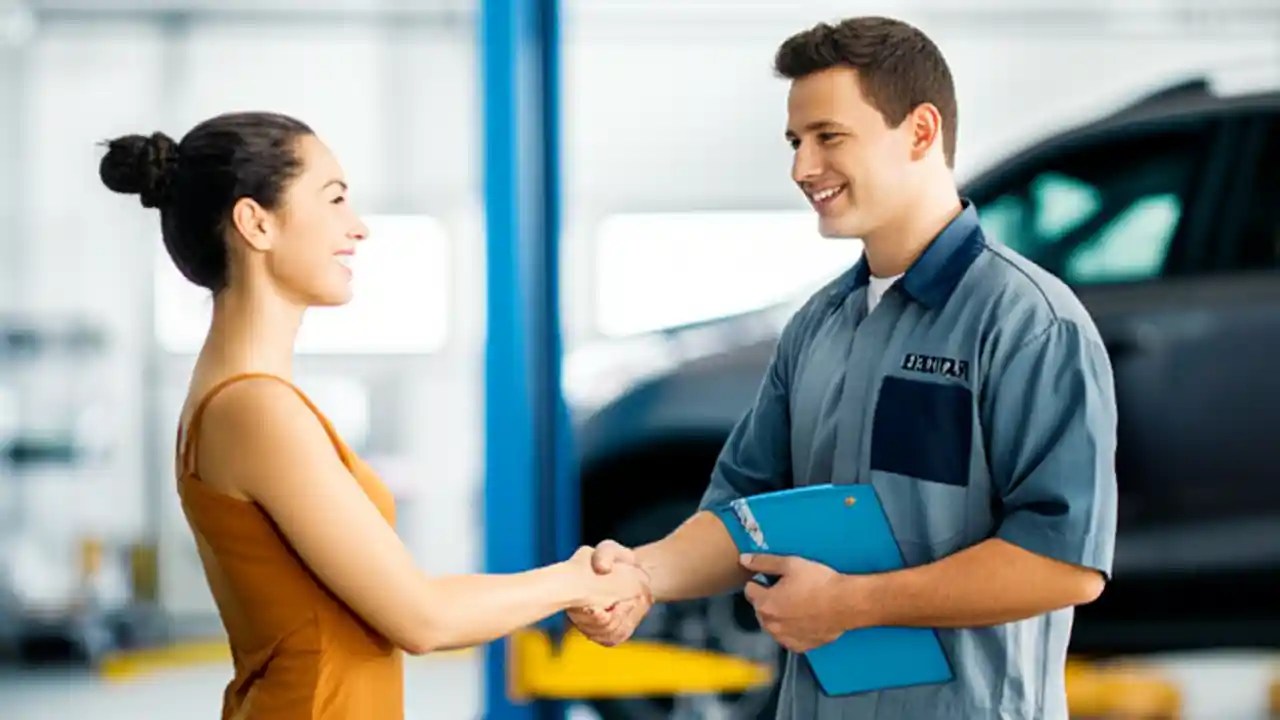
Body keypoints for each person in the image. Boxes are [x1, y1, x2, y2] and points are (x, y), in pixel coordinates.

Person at [568, 16, 1117, 720]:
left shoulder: (1028, 322)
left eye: (830, 137)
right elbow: (741, 513)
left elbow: (1064, 564)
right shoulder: (818, 326)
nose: (803, 168)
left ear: (920, 131)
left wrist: (851, 604)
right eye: (797, 142)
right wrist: (642, 576)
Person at [98, 112, 650, 720]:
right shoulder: (255, 409)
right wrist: (578, 580)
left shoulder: (241, 399)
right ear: (256, 222)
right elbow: (422, 619)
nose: (356, 228)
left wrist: (573, 580)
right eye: (333, 199)